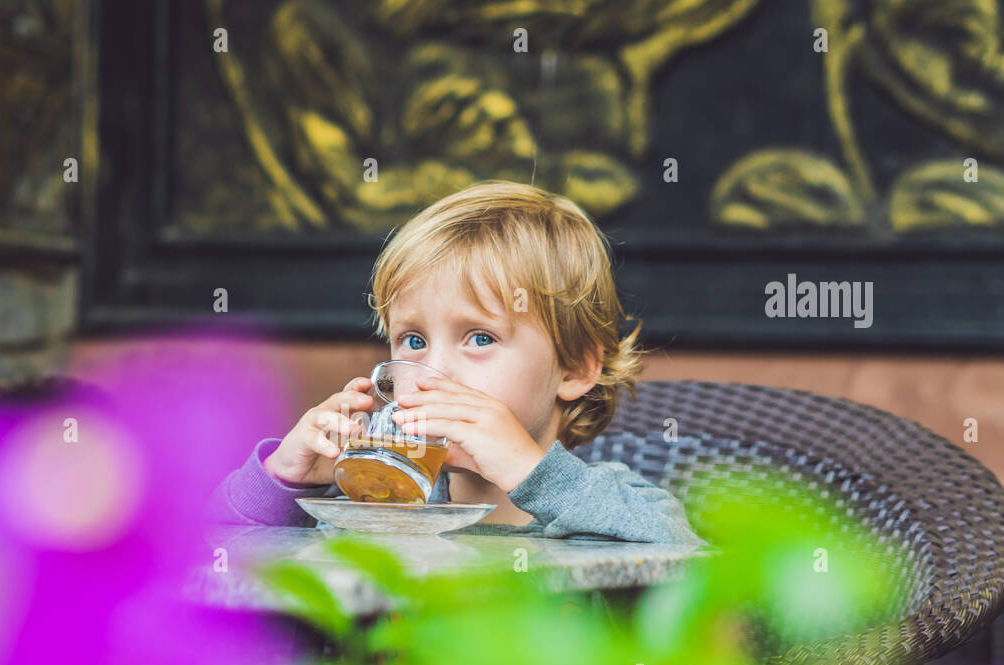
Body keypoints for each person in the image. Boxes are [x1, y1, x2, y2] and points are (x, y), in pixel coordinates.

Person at [207, 180, 702, 545]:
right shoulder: (378, 502)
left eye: (480, 337)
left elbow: (684, 560)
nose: (435, 371)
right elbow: (207, 551)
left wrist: (529, 471)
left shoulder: (611, 501)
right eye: (414, 341)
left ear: (573, 369)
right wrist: (287, 480)